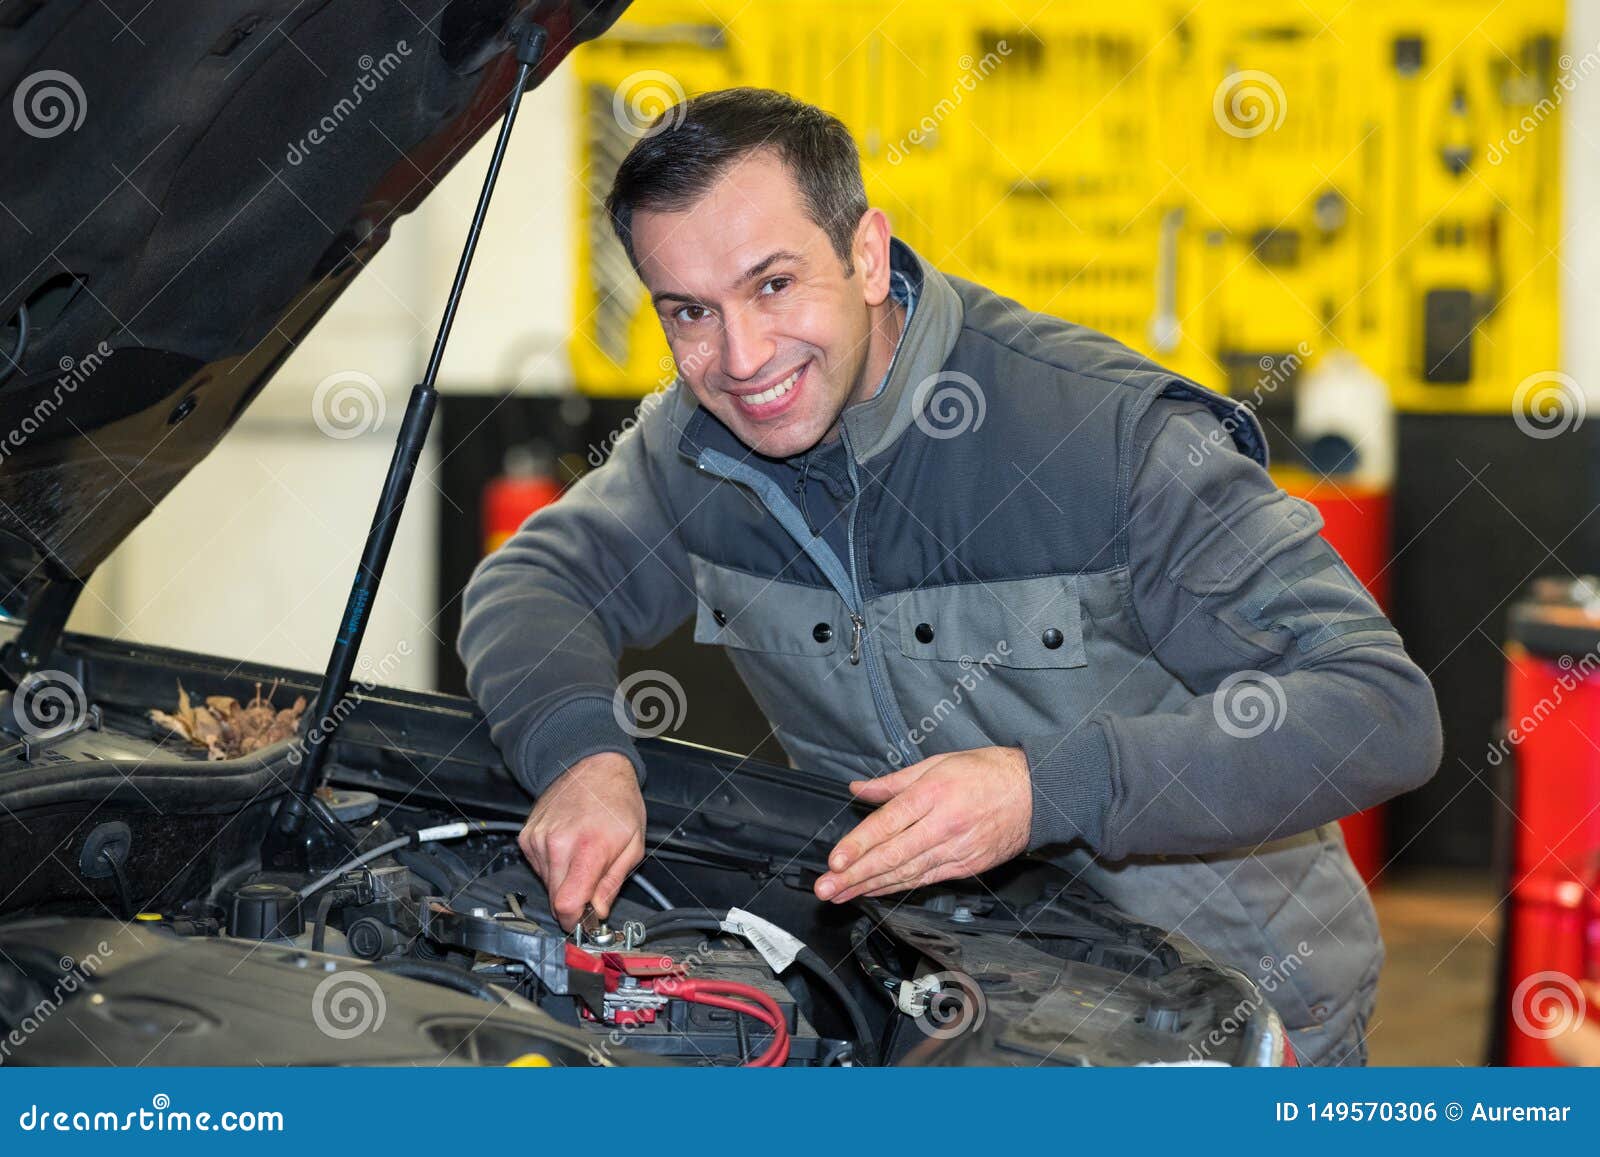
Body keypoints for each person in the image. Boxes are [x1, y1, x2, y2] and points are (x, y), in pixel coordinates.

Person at [457, 88, 1442, 1066]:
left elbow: (1379, 707)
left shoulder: (1101, 435)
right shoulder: (698, 447)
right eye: (690, 311)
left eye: (772, 285)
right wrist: (582, 754)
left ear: (868, 255)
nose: (742, 357)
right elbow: (534, 579)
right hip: (953, 1007)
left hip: (1225, 1021)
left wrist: (1040, 789)